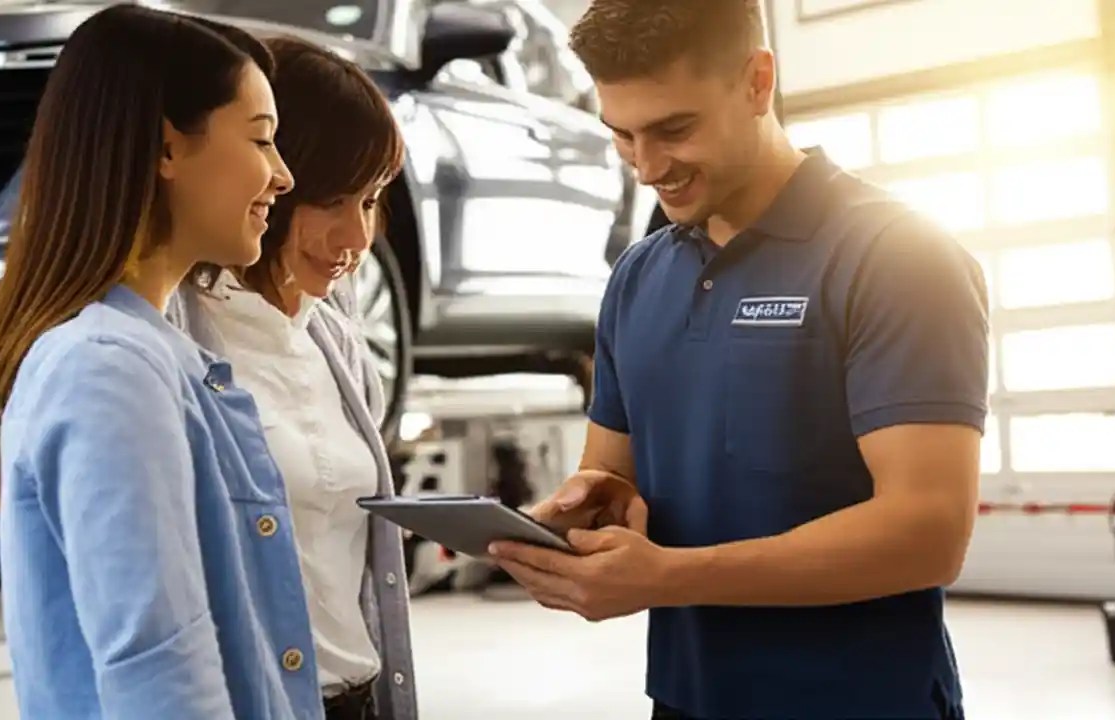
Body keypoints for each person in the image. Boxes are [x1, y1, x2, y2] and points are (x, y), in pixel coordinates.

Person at [488, 2, 989, 719]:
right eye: (623, 135)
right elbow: (612, 475)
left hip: (862, 703)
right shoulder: (636, 278)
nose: (647, 168)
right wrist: (579, 517)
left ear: (757, 82)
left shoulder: (899, 256)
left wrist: (670, 576)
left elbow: (927, 533)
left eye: (674, 129)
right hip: (684, 700)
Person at [0, 6, 322, 718]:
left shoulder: (143, 354)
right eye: (261, 139)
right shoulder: (109, 370)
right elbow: (159, 669)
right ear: (166, 149)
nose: (282, 176)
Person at [166, 34, 416, 720]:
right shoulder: (176, 338)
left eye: (371, 201)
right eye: (333, 200)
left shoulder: (336, 342)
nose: (358, 239)